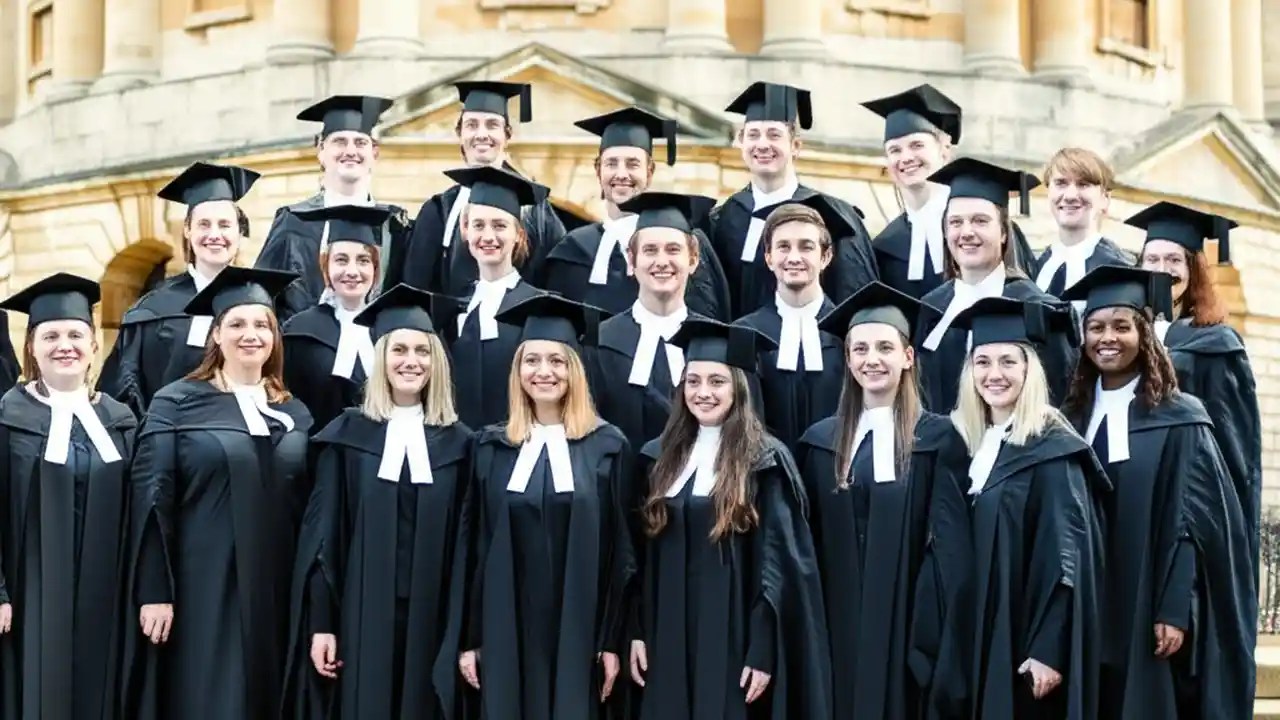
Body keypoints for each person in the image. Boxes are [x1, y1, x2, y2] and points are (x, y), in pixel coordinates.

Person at [1060, 265, 1253, 719]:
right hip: (1089, 594)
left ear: (1144, 335)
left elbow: (1194, 524)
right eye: (1096, 327)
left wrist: (1173, 608)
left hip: (1147, 595)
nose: (1108, 338)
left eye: (1122, 327)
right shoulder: (1070, 418)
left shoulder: (1181, 418)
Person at [122, 267, 313, 720]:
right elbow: (151, 496)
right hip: (204, 582)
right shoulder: (176, 402)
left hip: (278, 585)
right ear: (216, 334)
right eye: (238, 324)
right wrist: (154, 590)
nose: (252, 335)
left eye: (263, 325)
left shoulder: (295, 412)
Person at [283, 283, 472, 720]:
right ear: (380, 358)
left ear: (437, 362)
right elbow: (322, 541)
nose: (411, 361)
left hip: (436, 615)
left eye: (422, 351)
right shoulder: (347, 437)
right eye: (399, 350)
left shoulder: (462, 446)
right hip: (359, 612)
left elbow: (470, 544)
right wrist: (321, 623)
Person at [629, 317, 831, 720]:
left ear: (738, 388)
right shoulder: (658, 458)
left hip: (734, 637)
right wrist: (635, 630)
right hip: (666, 632)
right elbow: (638, 555)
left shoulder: (765, 461)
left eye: (717, 382)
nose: (704, 392)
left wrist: (763, 645)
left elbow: (779, 565)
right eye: (694, 381)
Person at [445, 292, 633, 720]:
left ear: (575, 371)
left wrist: (612, 639)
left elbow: (621, 554)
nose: (543, 372)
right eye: (532, 360)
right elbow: (473, 547)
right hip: (507, 624)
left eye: (557, 361)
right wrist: (470, 637)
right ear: (517, 370)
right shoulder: (491, 447)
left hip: (580, 628)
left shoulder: (607, 446)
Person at [795, 281, 970, 719]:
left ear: (908, 357)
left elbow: (950, 547)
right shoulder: (820, 443)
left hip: (908, 623)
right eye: (860, 349)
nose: (872, 359)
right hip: (836, 623)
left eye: (885, 348)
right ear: (848, 359)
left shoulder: (939, 439)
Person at [948, 296, 1106, 719]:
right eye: (981, 362)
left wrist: (1048, 649)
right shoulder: (972, 442)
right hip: (977, 632)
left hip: (1022, 637)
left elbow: (1066, 556)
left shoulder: (1053, 447)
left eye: (1007, 362)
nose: (993, 374)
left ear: (1028, 371)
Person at [0, 274, 136, 720]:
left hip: (108, 588)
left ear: (95, 345)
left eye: (76, 334)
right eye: (51, 336)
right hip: (29, 590)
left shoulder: (120, 419)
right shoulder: (7, 417)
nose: (65, 346)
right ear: (32, 347)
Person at [1129, 201, 1263, 575]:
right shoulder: (1122, 333)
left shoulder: (1215, 344)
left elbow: (1232, 440)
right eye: (1151, 259)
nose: (1162, 269)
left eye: (1174, 260)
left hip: (1185, 497)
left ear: (1193, 271)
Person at [914, 157, 1078, 412]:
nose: (966, 232)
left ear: (1003, 232)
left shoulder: (1039, 310)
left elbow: (1062, 400)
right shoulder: (929, 308)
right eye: (955, 222)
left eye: (980, 221)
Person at [98, 162, 260, 418]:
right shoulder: (151, 311)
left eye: (225, 225)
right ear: (187, 230)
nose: (214, 234)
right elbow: (125, 397)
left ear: (240, 232)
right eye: (204, 224)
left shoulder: (263, 304)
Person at [543, 107, 731, 320]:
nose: (621, 174)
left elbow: (709, 319)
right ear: (598, 171)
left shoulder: (685, 244)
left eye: (633, 164)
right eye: (611, 163)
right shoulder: (572, 251)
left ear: (649, 172)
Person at [711, 81, 878, 317]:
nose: (762, 144)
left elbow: (855, 298)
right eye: (753, 135)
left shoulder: (832, 217)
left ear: (795, 146)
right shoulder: (722, 218)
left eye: (774, 135)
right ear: (741, 142)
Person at [397, 82, 566, 297]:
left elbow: (555, 287)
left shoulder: (539, 214)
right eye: (472, 125)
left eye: (492, 125)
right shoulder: (438, 211)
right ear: (459, 134)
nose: (481, 134)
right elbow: (416, 288)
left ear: (507, 135)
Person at [254, 95, 410, 322]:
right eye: (339, 141)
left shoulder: (395, 226)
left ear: (374, 153)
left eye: (360, 142)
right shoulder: (293, 220)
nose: (350, 151)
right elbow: (262, 297)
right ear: (321, 149)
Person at [589, 191, 707, 452]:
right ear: (631, 261)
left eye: (673, 250)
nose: (662, 262)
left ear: (693, 259)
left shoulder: (713, 342)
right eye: (650, 250)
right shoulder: (599, 343)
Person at [734, 200, 847, 449]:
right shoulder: (744, 333)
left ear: (826, 256)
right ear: (769, 258)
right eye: (783, 247)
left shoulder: (847, 331)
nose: (794, 257)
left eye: (806, 247)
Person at [440, 165, 544, 430]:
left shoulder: (537, 307)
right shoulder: (450, 308)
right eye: (478, 225)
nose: (488, 236)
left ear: (518, 235)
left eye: (499, 226)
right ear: (465, 231)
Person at [281, 204, 386, 433]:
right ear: (325, 267)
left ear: (375, 269)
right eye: (341, 260)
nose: (352, 271)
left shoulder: (389, 327)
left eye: (363, 260)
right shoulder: (299, 331)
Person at [861, 84, 962, 300]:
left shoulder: (980, 229)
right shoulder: (884, 247)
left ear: (945, 150)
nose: (905, 158)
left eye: (916, 145)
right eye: (895, 150)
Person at [1032, 148, 1134, 303]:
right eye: (1061, 183)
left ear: (1105, 199)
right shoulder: (1034, 267)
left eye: (1083, 184)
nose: (1071, 196)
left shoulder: (1118, 271)